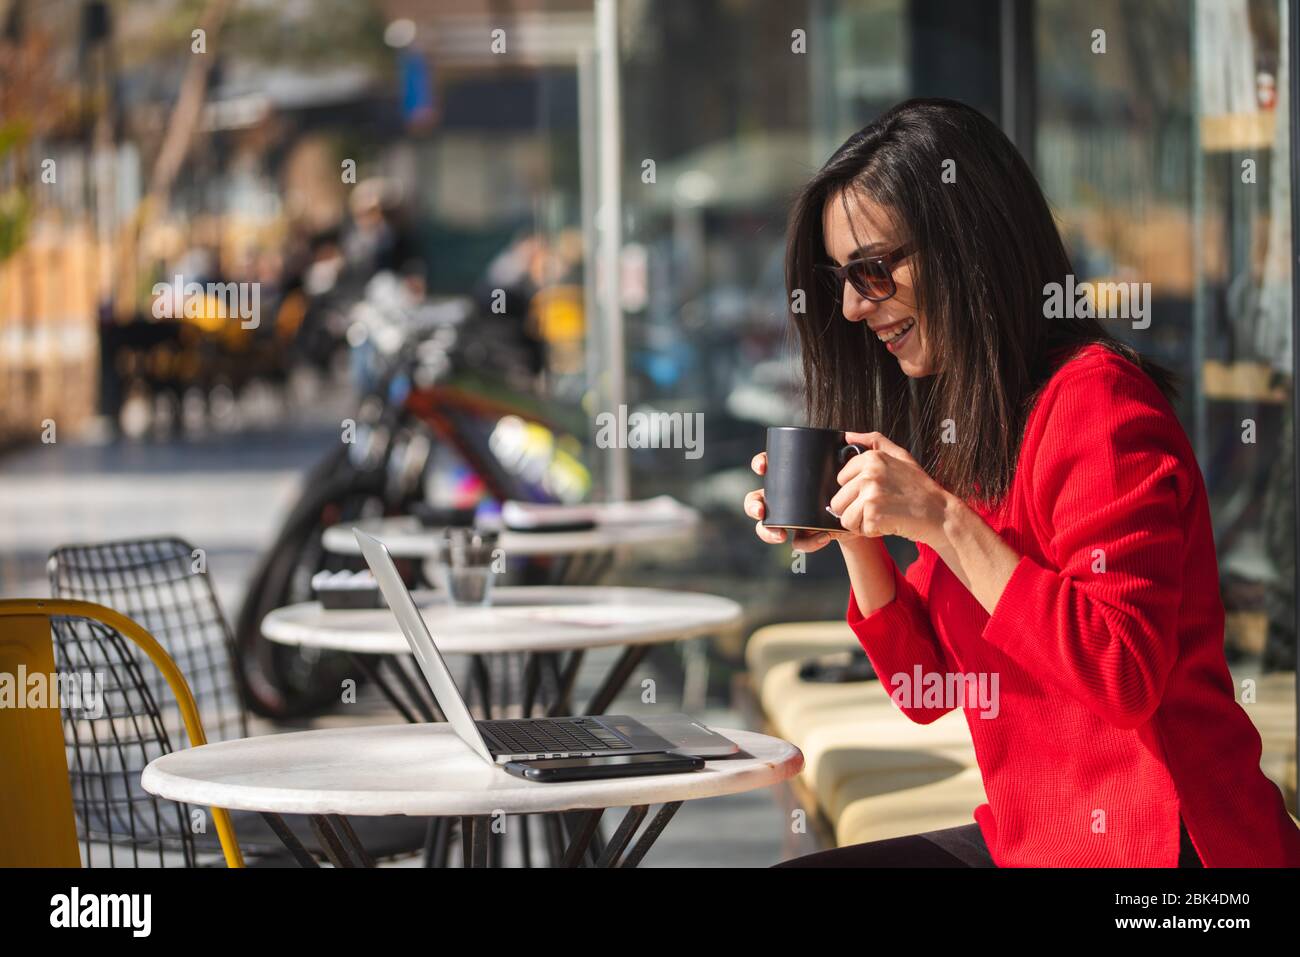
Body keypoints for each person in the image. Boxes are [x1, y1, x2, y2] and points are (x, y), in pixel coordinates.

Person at [745, 98, 1300, 867]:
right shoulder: (974, 425)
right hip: (1037, 843)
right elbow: (926, 686)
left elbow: (1123, 674)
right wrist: (855, 535)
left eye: (872, 269)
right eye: (838, 277)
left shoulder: (1099, 404)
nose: (849, 305)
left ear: (965, 245)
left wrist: (941, 519)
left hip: (1171, 856)